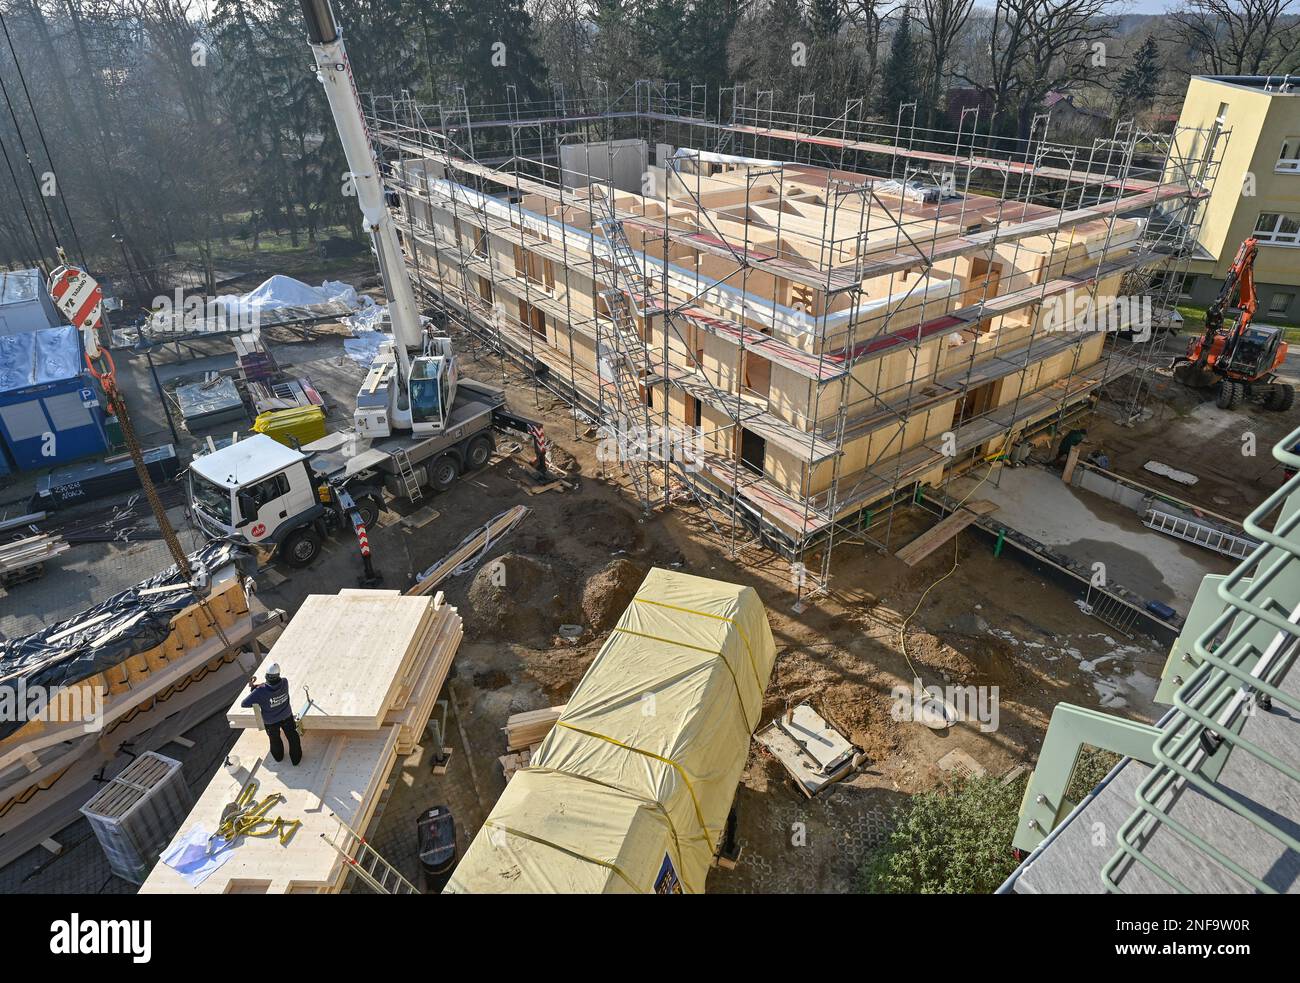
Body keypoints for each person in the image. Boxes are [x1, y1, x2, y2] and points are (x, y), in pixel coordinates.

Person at [240, 662, 301, 765]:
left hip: (271, 721)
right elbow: (271, 687)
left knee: (274, 739)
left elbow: (244, 704)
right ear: (278, 675)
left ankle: (278, 758)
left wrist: (255, 693)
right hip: (287, 716)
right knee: (293, 737)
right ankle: (296, 760)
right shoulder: (285, 682)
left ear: (266, 676)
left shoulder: (260, 692)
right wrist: (258, 689)